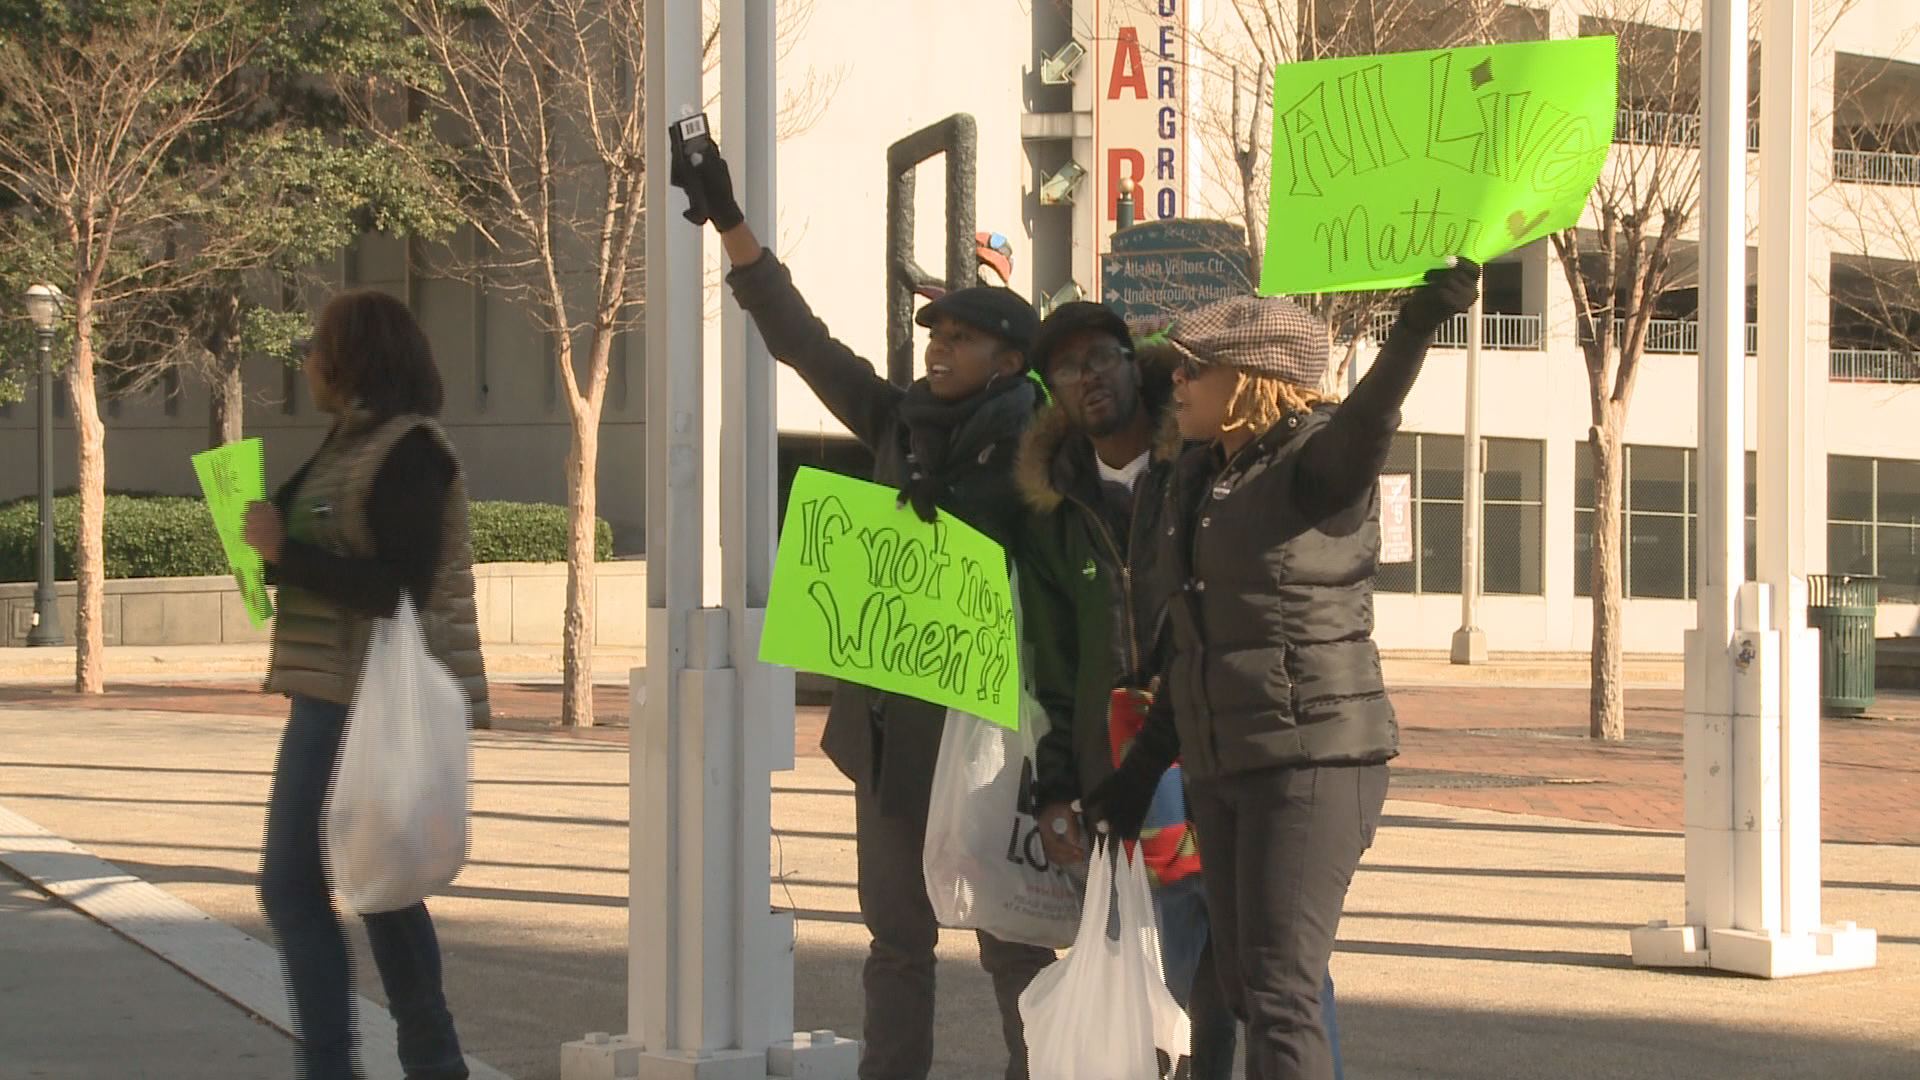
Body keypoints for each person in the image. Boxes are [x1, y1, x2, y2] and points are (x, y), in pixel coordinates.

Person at [672, 139, 1055, 1080]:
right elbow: (802, 342)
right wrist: (732, 224)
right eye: (934, 333)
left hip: (986, 745)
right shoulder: (897, 423)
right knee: (895, 944)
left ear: (1010, 362)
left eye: (960, 338)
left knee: (1011, 942)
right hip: (887, 740)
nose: (936, 348)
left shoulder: (1045, 453)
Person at [1082, 263, 1482, 1080]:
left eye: (1196, 368)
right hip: (1227, 765)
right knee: (1243, 985)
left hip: (1311, 765)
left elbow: (1370, 420)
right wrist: (1138, 776)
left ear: (1255, 379)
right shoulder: (1199, 476)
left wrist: (1413, 329)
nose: (1178, 382)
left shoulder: (1315, 464)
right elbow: (1198, 652)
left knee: (1280, 989)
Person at [1014, 303, 1342, 1080]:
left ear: (1135, 363)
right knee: (1171, 962)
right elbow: (1057, 667)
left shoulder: (1196, 462)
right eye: (1066, 368)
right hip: (1131, 768)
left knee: (1277, 959)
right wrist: (1059, 784)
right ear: (1053, 391)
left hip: (1223, 740)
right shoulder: (1055, 511)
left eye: (1100, 356)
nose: (1087, 377)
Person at [243, 289, 487, 1080]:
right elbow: (296, 545)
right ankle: (430, 1061)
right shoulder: (346, 444)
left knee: (295, 884)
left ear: (353, 359)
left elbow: (397, 588)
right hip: (326, 692)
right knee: (380, 891)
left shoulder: (411, 449)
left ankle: (336, 1066)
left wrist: (287, 553)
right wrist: (263, 545)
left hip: (363, 704)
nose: (307, 360)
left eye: (318, 346)